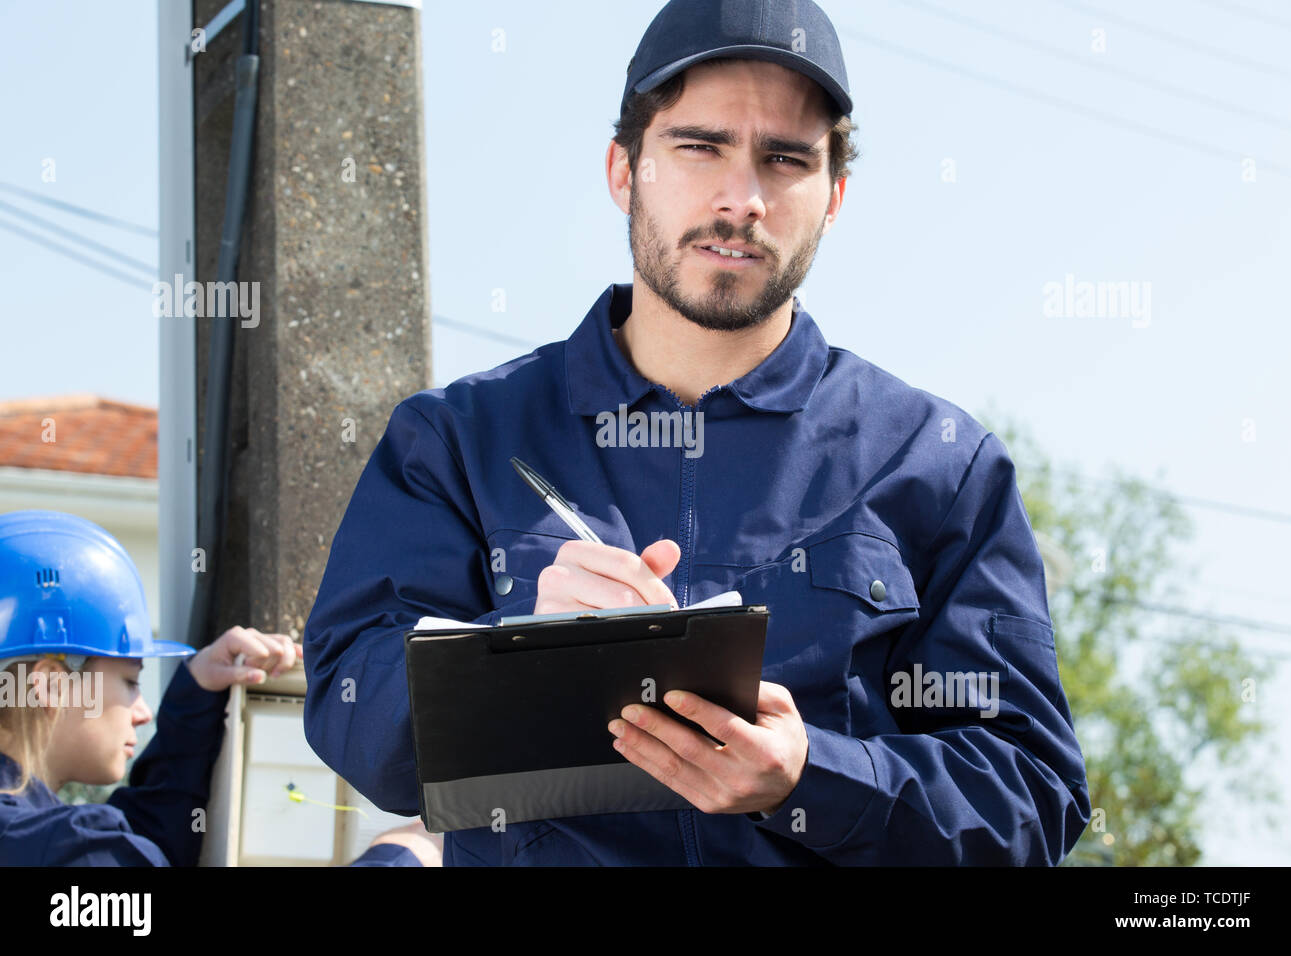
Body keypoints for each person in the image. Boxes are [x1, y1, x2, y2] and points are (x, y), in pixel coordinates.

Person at [303, 0, 1090, 865]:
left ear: (833, 197)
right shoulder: (457, 440)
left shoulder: (940, 466)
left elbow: (1031, 798)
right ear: (623, 169)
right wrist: (517, 643)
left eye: (785, 158)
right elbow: (350, 712)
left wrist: (813, 780)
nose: (741, 198)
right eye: (699, 145)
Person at [0, 510, 438, 866]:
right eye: (130, 682)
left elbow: (149, 847)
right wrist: (404, 856)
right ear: (51, 687)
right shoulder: (67, 850)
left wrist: (197, 693)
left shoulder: (39, 841)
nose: (142, 711)